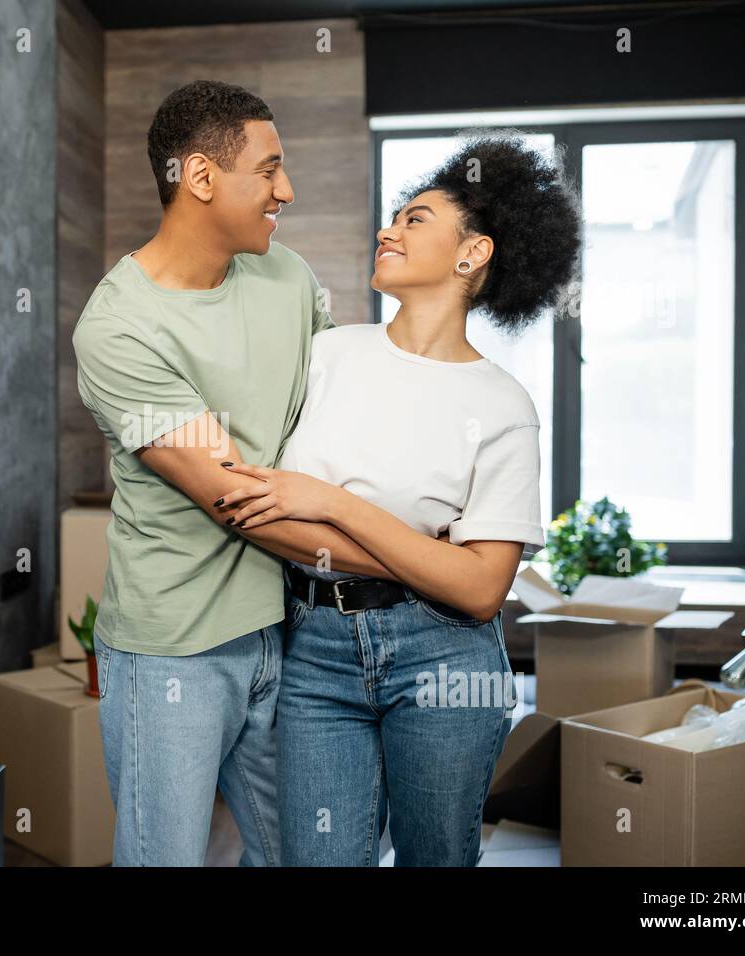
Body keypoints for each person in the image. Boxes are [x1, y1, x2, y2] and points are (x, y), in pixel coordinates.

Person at [214, 133, 584, 866]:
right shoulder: (324, 355)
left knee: (435, 859)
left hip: (442, 656)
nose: (388, 229)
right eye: (394, 217)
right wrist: (426, 550)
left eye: (416, 219)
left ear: (471, 253)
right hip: (314, 649)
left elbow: (480, 590)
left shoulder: (504, 405)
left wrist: (333, 504)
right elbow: (256, 503)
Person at [72, 80, 398, 866]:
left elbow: (335, 417)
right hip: (173, 650)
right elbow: (236, 499)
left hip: (287, 629)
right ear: (202, 178)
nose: (286, 190)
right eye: (270, 170)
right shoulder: (119, 328)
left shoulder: (285, 277)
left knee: (307, 851)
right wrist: (419, 561)